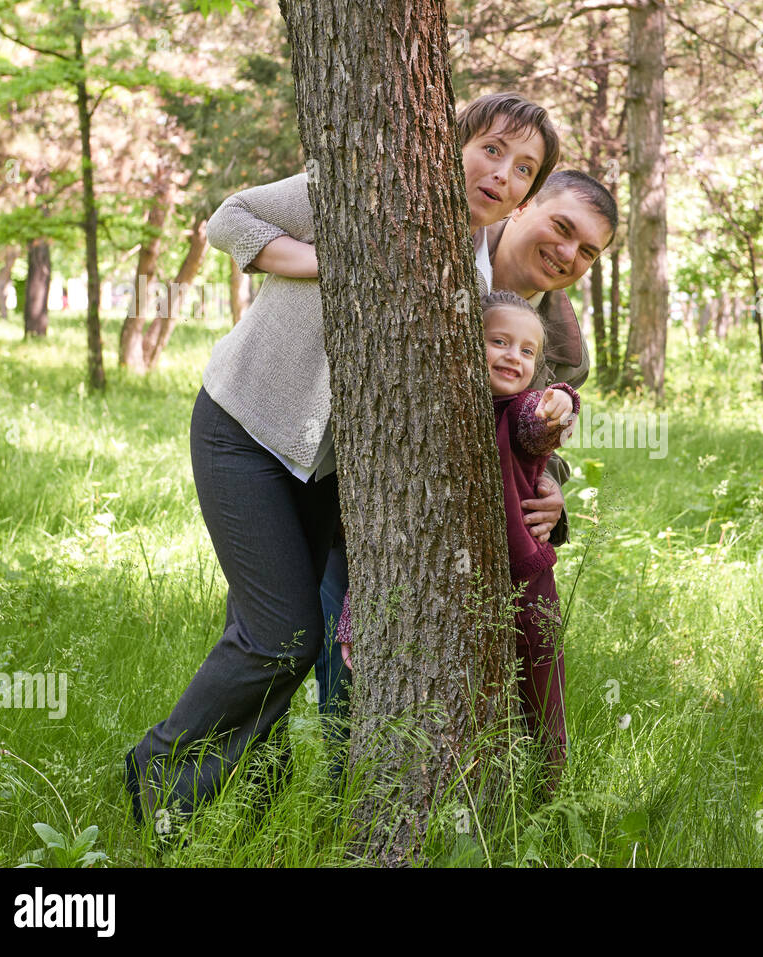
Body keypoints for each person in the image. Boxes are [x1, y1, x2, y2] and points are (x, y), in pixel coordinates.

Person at [124, 92, 561, 823]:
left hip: (329, 471)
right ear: (451, 143)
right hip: (245, 427)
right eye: (492, 149)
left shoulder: (480, 283)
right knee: (280, 636)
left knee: (274, 635)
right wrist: (335, 264)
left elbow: (493, 406)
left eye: (524, 169)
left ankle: (238, 801)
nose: (502, 174)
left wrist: (546, 479)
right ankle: (156, 776)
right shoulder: (361, 184)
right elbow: (231, 220)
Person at [313, 169, 618, 771]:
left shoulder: (563, 343)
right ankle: (322, 801)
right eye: (562, 229)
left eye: (588, 251)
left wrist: (552, 481)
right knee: (311, 651)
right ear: (525, 206)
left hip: (476, 538)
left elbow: (537, 428)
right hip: (346, 487)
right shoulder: (437, 248)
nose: (568, 255)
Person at [338, 291, 578, 783]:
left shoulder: (518, 416)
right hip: (445, 578)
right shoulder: (427, 417)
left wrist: (562, 401)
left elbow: (540, 422)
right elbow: (384, 537)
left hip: (526, 581)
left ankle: (550, 789)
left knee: (541, 690)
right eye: (499, 341)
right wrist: (353, 614)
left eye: (528, 351)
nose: (514, 355)